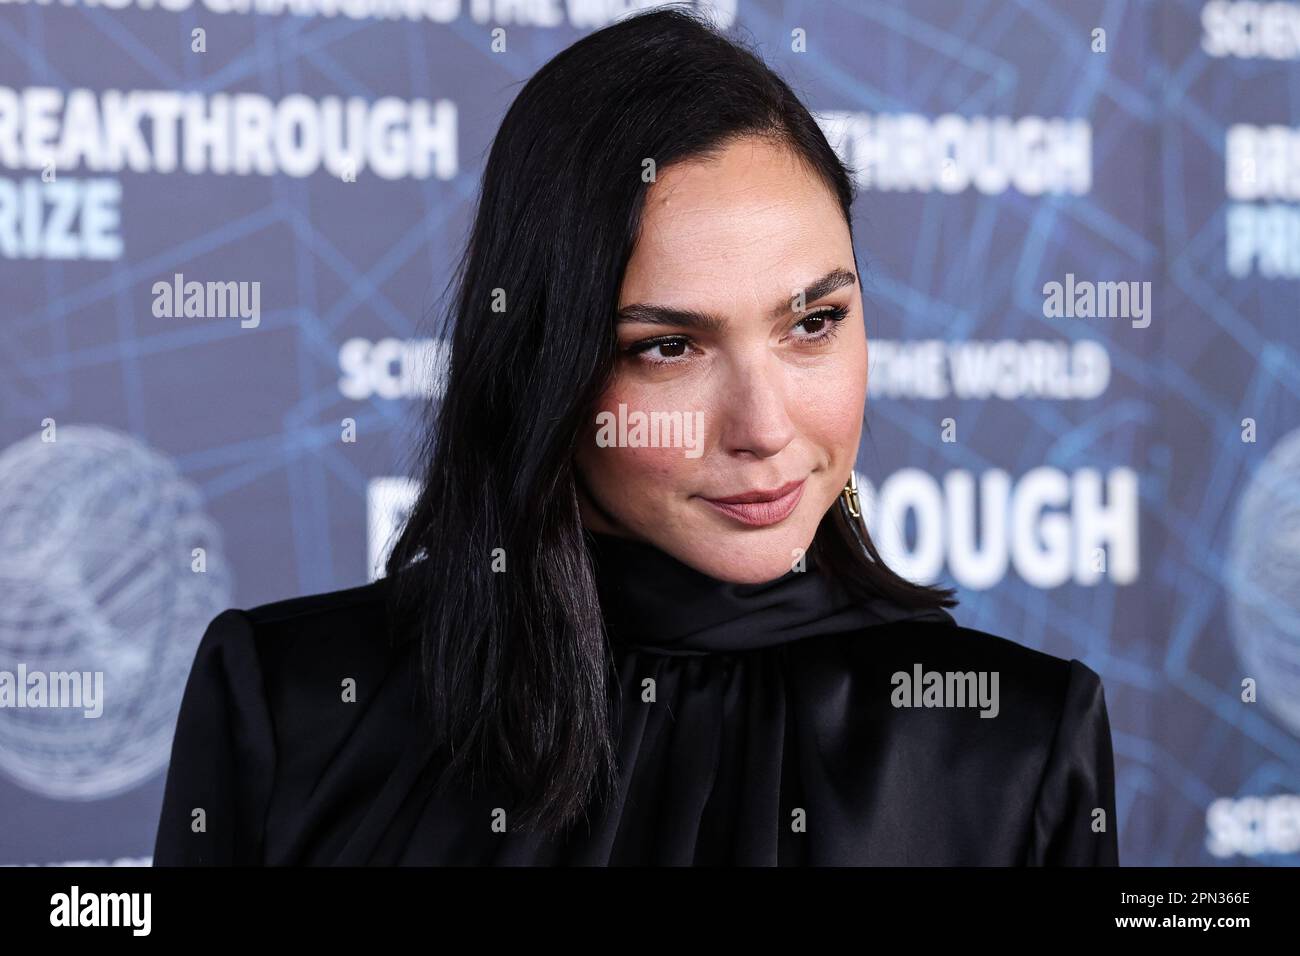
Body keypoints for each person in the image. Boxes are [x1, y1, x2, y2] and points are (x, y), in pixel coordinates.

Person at [153, 7, 1119, 866]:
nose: (765, 427)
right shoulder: (293, 706)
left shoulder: (1019, 741)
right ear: (543, 364)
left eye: (813, 323)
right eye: (668, 347)